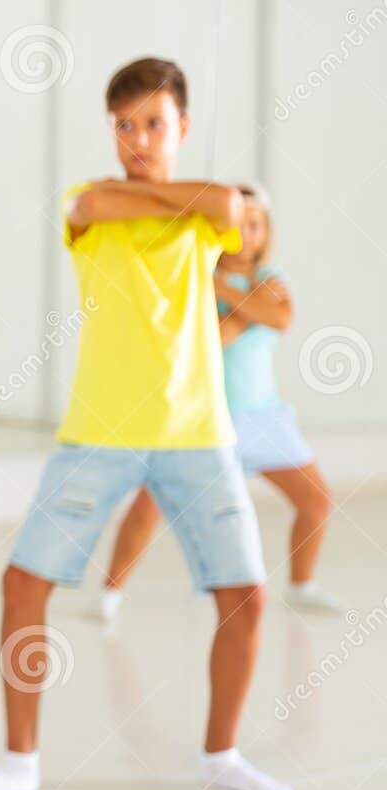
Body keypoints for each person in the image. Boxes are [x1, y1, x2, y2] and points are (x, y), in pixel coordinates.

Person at [0, 57, 293, 790]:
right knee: (22, 585)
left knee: (249, 596)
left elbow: (228, 204)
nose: (137, 138)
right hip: (98, 432)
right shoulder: (90, 204)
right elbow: (97, 202)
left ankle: (221, 754)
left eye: (154, 124)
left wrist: (177, 196)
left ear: (184, 127)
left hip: (198, 434)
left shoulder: (207, 216)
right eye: (125, 125)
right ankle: (19, 761)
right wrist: (173, 194)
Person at [97, 183, 339, 621]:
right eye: (238, 225)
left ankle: (303, 583)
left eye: (255, 225)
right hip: (204, 419)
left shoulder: (269, 279)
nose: (246, 234)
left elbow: (281, 318)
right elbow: (218, 336)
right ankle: (111, 591)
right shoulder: (198, 278)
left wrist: (230, 296)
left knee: (317, 500)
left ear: (266, 230)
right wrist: (248, 307)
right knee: (149, 504)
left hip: (263, 417)